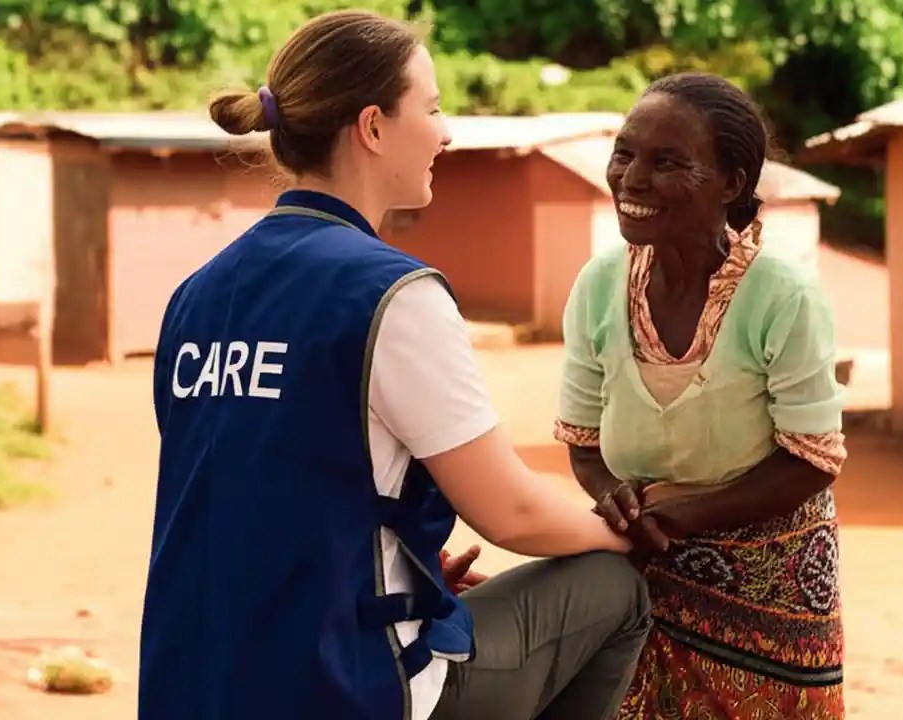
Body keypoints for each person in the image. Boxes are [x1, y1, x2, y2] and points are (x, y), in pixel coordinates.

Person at [138, 10, 650, 720]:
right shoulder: (392, 294)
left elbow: (253, 492)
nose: (447, 132)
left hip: (195, 688)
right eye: (434, 109)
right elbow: (510, 511)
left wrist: (404, 565)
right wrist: (624, 536)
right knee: (613, 588)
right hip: (340, 689)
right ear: (374, 127)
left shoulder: (196, 295)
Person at [554, 73, 848, 719]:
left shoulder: (783, 296)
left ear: (733, 183)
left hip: (771, 579)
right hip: (641, 570)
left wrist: (680, 517)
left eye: (668, 163)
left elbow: (812, 457)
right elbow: (581, 442)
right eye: (625, 153)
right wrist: (614, 496)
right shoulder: (599, 284)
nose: (631, 179)